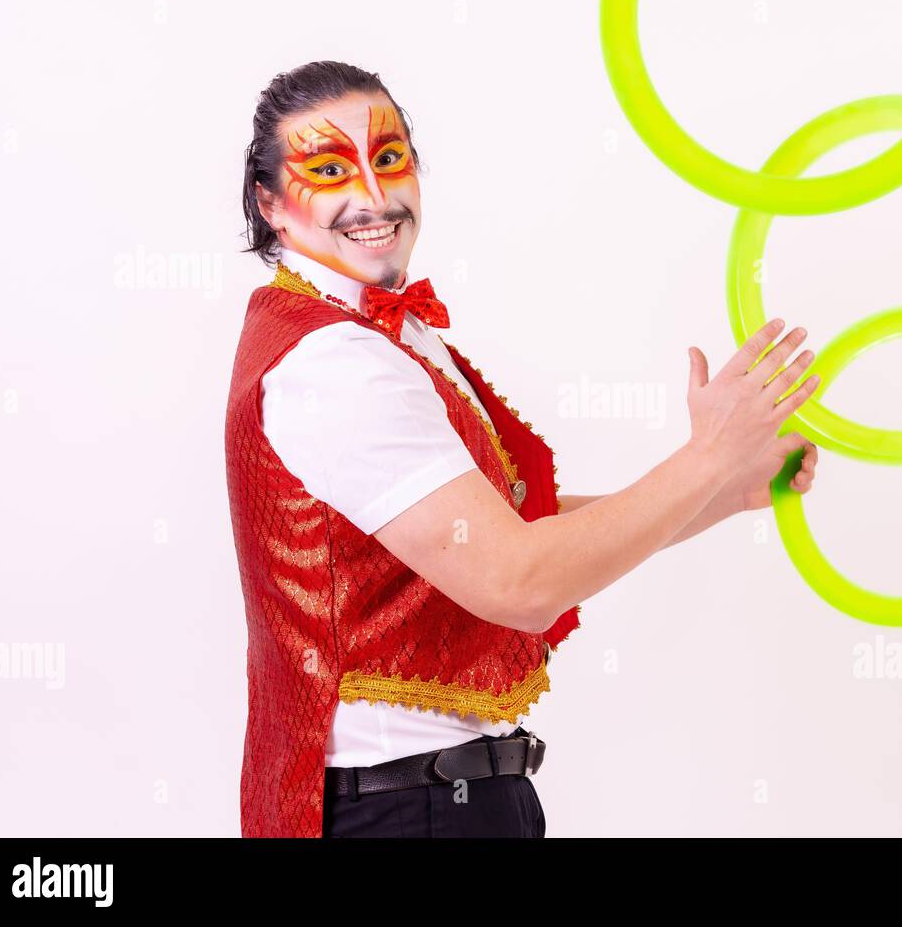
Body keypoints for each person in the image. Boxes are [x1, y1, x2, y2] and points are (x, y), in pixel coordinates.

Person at [225, 60, 821, 838]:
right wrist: (706, 456)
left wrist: (725, 490)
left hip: (445, 803)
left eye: (391, 158)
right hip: (407, 814)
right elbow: (518, 578)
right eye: (329, 169)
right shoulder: (336, 362)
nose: (372, 197)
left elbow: (509, 528)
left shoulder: (385, 336)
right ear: (270, 203)